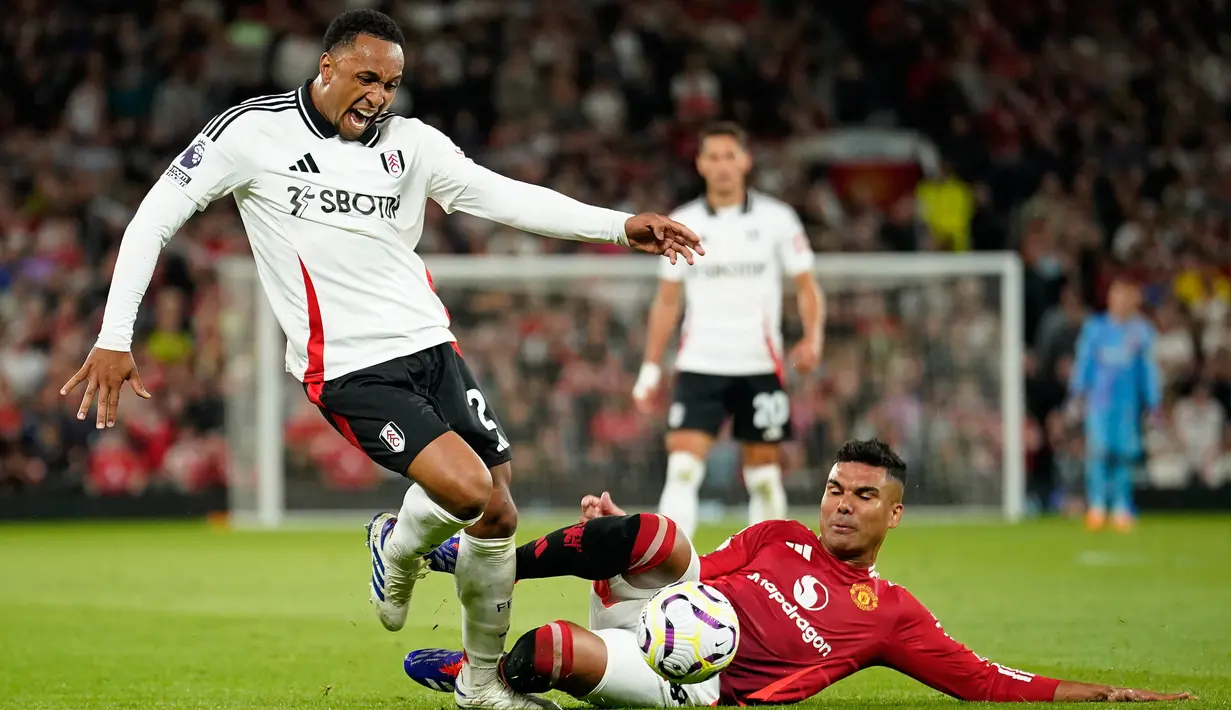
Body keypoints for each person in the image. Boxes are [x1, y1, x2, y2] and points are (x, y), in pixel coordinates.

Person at [57, 10, 702, 710]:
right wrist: (115, 336)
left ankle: (481, 686)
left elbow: (500, 196)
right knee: (468, 491)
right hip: (347, 366)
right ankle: (396, 544)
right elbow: (153, 217)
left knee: (498, 517)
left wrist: (618, 226)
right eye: (366, 77)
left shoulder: (411, 143)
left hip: (430, 344)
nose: (378, 96)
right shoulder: (250, 130)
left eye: (391, 84)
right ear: (325, 66)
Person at [406, 439, 1192, 707]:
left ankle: (487, 681)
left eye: (863, 497)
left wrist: (1106, 692)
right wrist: (616, 544)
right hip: (677, 615)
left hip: (694, 681)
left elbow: (983, 681)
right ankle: (487, 556)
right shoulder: (779, 533)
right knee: (655, 530)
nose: (841, 506)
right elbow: (695, 570)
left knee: (550, 653)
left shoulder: (891, 614)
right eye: (834, 490)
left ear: (894, 515)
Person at [631, 122, 825, 537]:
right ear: (700, 163)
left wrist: (813, 339)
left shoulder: (778, 220)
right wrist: (650, 368)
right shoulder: (682, 222)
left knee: (764, 478)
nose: (722, 166)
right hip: (701, 362)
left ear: (745, 161)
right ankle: (673, 570)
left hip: (759, 363)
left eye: (729, 156)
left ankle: (765, 573)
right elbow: (667, 301)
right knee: (681, 469)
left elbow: (807, 287)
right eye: (713, 157)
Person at [1066, 278, 1162, 532]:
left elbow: (1149, 370)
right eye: (1116, 295)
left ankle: (1121, 507)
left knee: (1124, 456)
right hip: (1099, 403)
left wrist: (1153, 403)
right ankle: (1097, 506)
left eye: (1125, 296)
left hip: (1127, 405)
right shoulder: (1095, 329)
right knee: (1098, 453)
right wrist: (1077, 394)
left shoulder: (1141, 332)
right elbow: (1084, 362)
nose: (1120, 301)